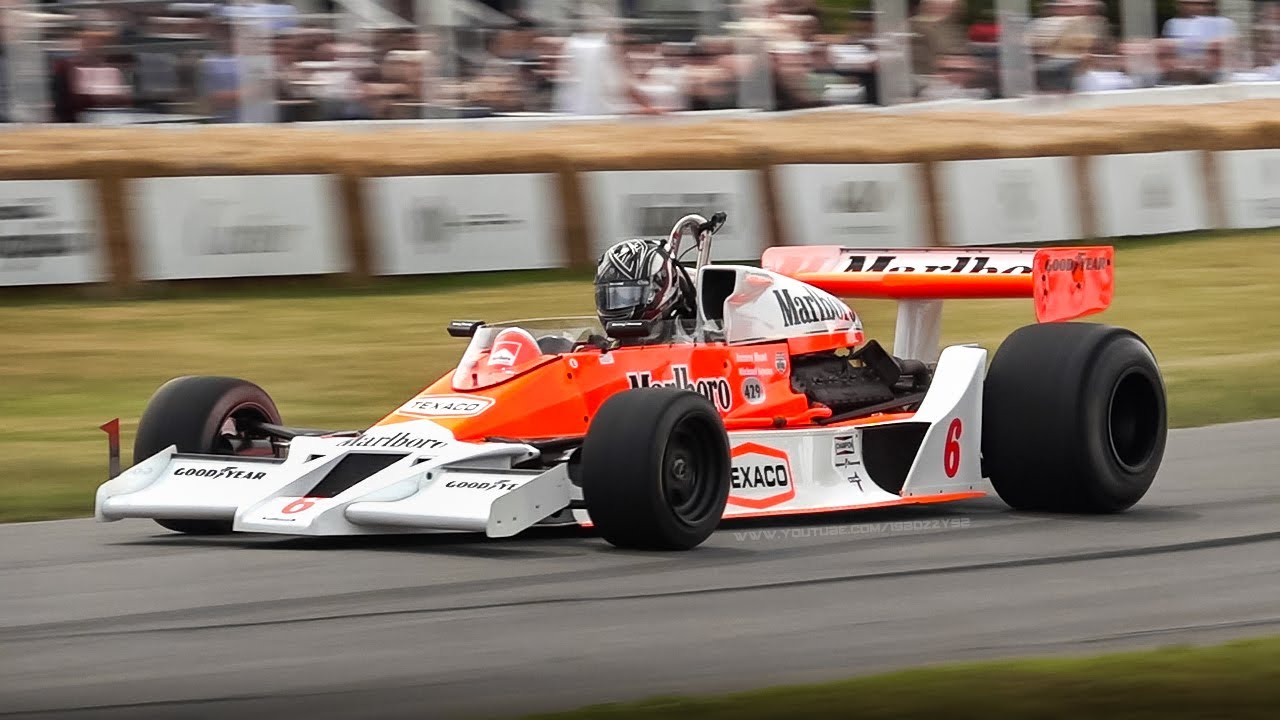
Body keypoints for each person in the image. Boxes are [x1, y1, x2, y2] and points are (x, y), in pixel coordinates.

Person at [593, 238, 698, 344]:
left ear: (660, 287)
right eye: (613, 297)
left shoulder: (694, 338)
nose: (618, 304)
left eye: (630, 296)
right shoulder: (603, 347)